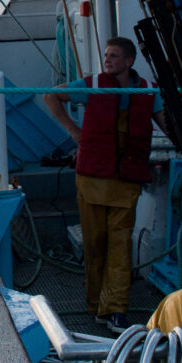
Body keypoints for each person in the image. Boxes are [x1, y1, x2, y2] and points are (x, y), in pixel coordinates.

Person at [44, 37, 164, 333]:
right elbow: (50, 96)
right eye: (106, 55)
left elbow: (165, 122)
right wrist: (73, 130)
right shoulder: (92, 84)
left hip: (126, 180)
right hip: (92, 178)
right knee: (95, 244)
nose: (107, 60)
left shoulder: (148, 91)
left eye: (114, 56)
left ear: (129, 61)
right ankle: (96, 306)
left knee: (119, 246)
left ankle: (116, 311)